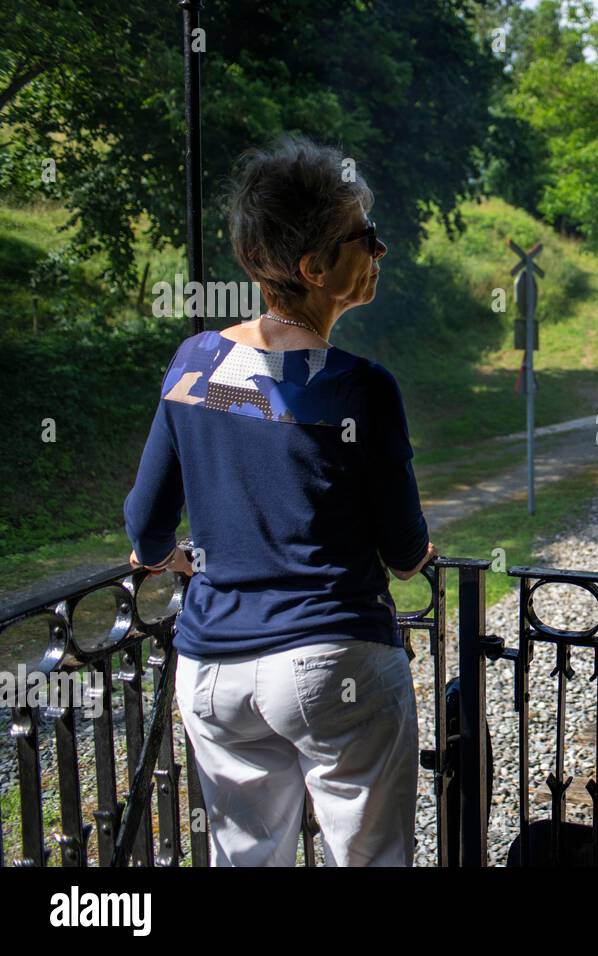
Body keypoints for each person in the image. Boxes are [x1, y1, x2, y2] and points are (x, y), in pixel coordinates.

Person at [123, 136, 435, 866]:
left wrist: (167, 558)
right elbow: (402, 551)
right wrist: (419, 554)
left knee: (247, 861)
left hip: (214, 673)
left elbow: (144, 528)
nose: (381, 249)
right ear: (315, 267)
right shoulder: (360, 386)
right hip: (333, 666)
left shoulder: (195, 364)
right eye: (367, 236)